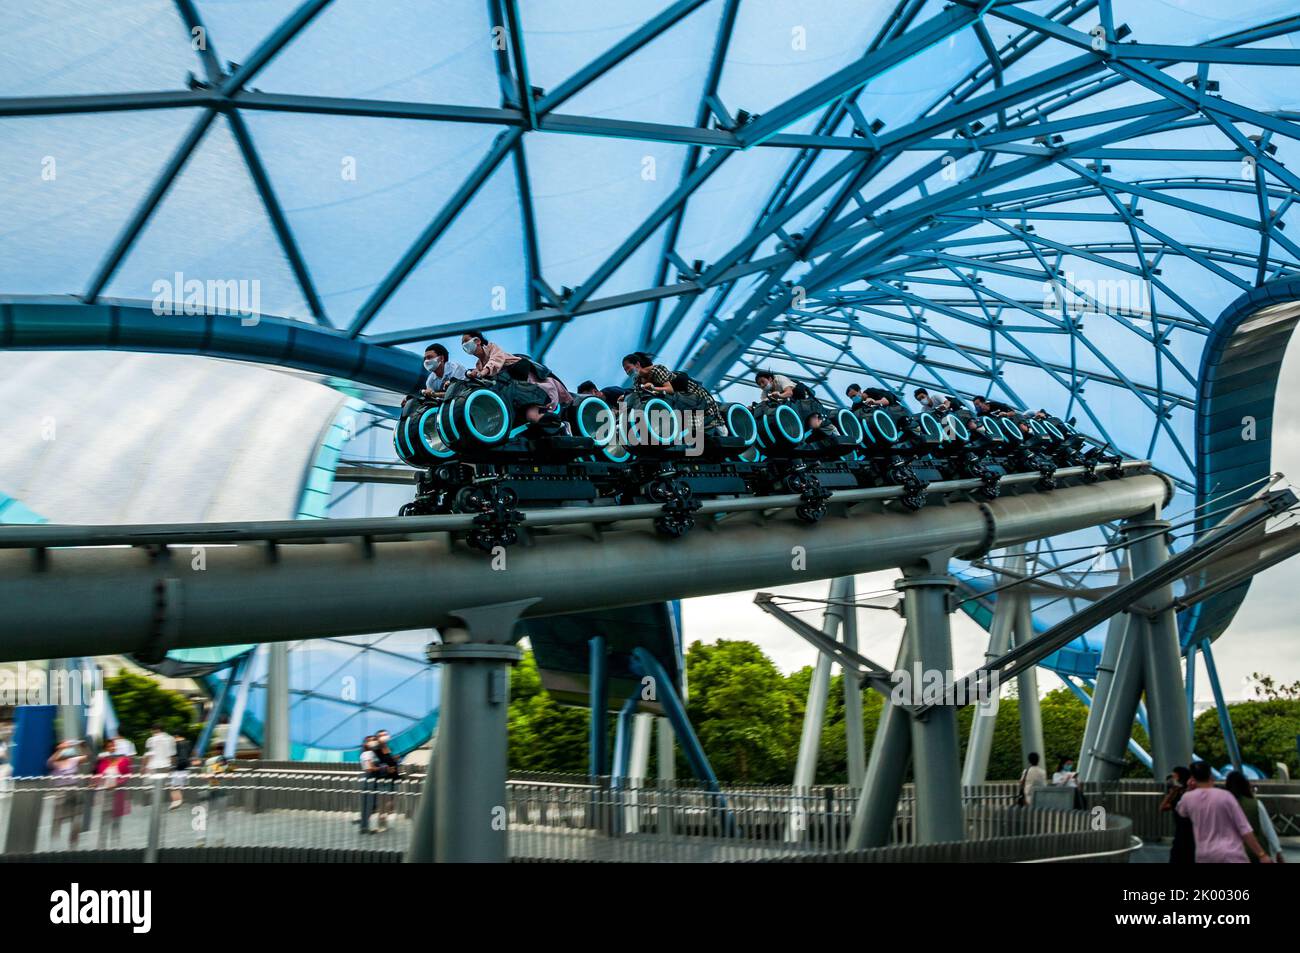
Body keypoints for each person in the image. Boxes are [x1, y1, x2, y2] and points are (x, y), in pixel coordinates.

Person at [1176, 761, 1273, 863]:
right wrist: (1262, 854)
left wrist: (1189, 789)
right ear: (1211, 775)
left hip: (1205, 855)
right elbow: (1244, 828)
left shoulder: (1187, 798)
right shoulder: (1225, 796)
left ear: (1193, 778)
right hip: (1231, 854)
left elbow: (1181, 811)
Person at [621, 352, 724, 432]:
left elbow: (669, 389)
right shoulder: (637, 381)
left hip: (689, 393)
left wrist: (653, 388)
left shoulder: (656, 370)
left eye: (628, 368)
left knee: (710, 422)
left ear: (637, 364)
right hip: (674, 400)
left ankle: (717, 424)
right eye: (625, 370)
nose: (627, 371)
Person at [1224, 770, 1284, 863]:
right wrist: (1278, 851)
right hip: (1256, 851)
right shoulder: (1255, 804)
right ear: (1245, 785)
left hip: (1229, 852)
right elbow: (1268, 829)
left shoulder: (1222, 804)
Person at [47, 739, 85, 848]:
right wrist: (61, 749)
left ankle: (73, 840)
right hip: (61, 790)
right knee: (57, 815)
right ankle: (54, 839)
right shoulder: (55, 761)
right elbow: (50, 762)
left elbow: (86, 757)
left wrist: (82, 746)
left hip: (73, 788)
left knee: (76, 815)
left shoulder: (73, 759)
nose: (66, 747)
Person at [94, 739, 132, 848]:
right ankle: (101, 846)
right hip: (105, 793)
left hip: (118, 793)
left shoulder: (123, 760)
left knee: (116, 820)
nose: (112, 748)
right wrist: (95, 784)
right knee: (104, 819)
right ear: (106, 748)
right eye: (110, 746)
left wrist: (117, 784)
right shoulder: (103, 761)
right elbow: (98, 774)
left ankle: (115, 845)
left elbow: (128, 775)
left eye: (114, 746)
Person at [1159, 766, 1196, 863]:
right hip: (1180, 831)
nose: (1173, 780)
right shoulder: (1176, 793)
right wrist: (1172, 792)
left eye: (1175, 777)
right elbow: (1162, 807)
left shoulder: (1188, 794)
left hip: (1191, 832)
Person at [373, 729, 401, 833]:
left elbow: (390, 760)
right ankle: (381, 825)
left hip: (394, 777)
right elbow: (375, 764)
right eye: (381, 735)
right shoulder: (376, 749)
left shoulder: (389, 747)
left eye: (385, 734)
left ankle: (385, 823)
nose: (384, 736)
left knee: (390, 802)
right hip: (384, 779)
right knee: (382, 803)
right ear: (378, 738)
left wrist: (395, 759)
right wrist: (386, 768)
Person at [359, 735, 383, 835]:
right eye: (370, 741)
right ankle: (366, 827)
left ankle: (363, 827)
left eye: (374, 740)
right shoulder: (369, 753)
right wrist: (382, 768)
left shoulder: (365, 753)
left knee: (366, 805)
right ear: (366, 744)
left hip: (366, 778)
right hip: (370, 778)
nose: (373, 742)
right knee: (369, 805)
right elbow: (369, 768)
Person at [169, 733, 192, 810]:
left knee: (174, 786)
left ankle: (177, 802)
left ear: (176, 736)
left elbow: (173, 756)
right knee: (180, 786)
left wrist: (171, 766)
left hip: (179, 766)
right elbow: (191, 754)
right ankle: (178, 801)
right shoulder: (188, 743)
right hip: (187, 767)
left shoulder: (176, 743)